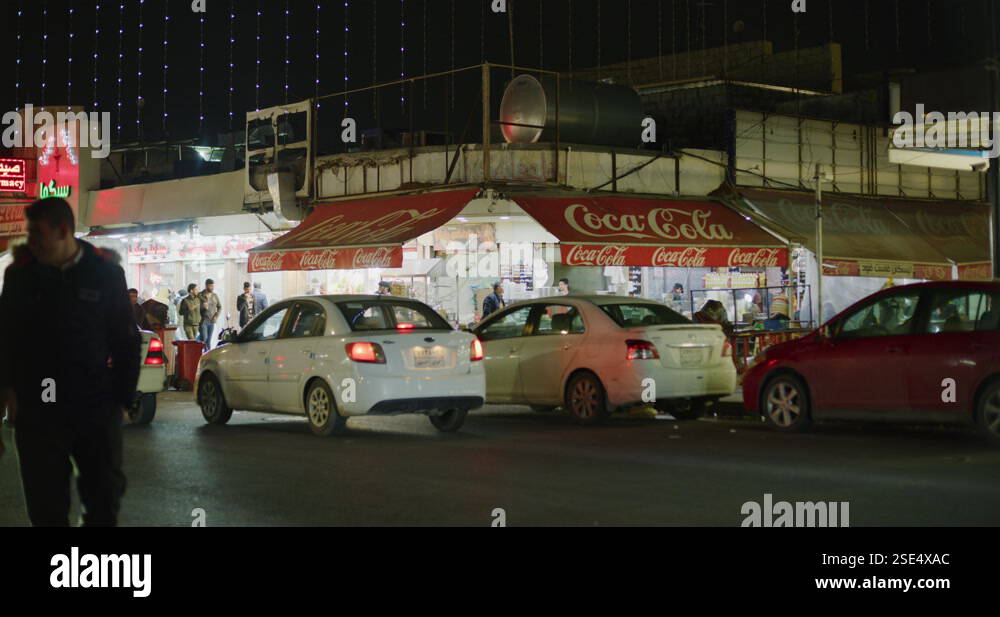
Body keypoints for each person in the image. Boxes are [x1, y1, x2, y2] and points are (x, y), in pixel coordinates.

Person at [0, 197, 140, 526]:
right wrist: (6, 387)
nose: (30, 241)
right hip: (39, 409)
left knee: (104, 500)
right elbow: (5, 334)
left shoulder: (105, 273)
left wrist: (121, 400)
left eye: (37, 232)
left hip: (94, 405)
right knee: (46, 507)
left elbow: (126, 340)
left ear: (62, 230)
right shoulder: (22, 276)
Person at [199, 278, 221, 347]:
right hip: (203, 321)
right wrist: (203, 307)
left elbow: (219, 307)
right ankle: (202, 354)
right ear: (206, 286)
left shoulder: (215, 295)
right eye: (211, 286)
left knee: (208, 340)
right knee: (204, 339)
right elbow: (197, 308)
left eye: (213, 286)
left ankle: (208, 356)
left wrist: (216, 316)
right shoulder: (200, 295)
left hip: (212, 321)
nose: (212, 287)